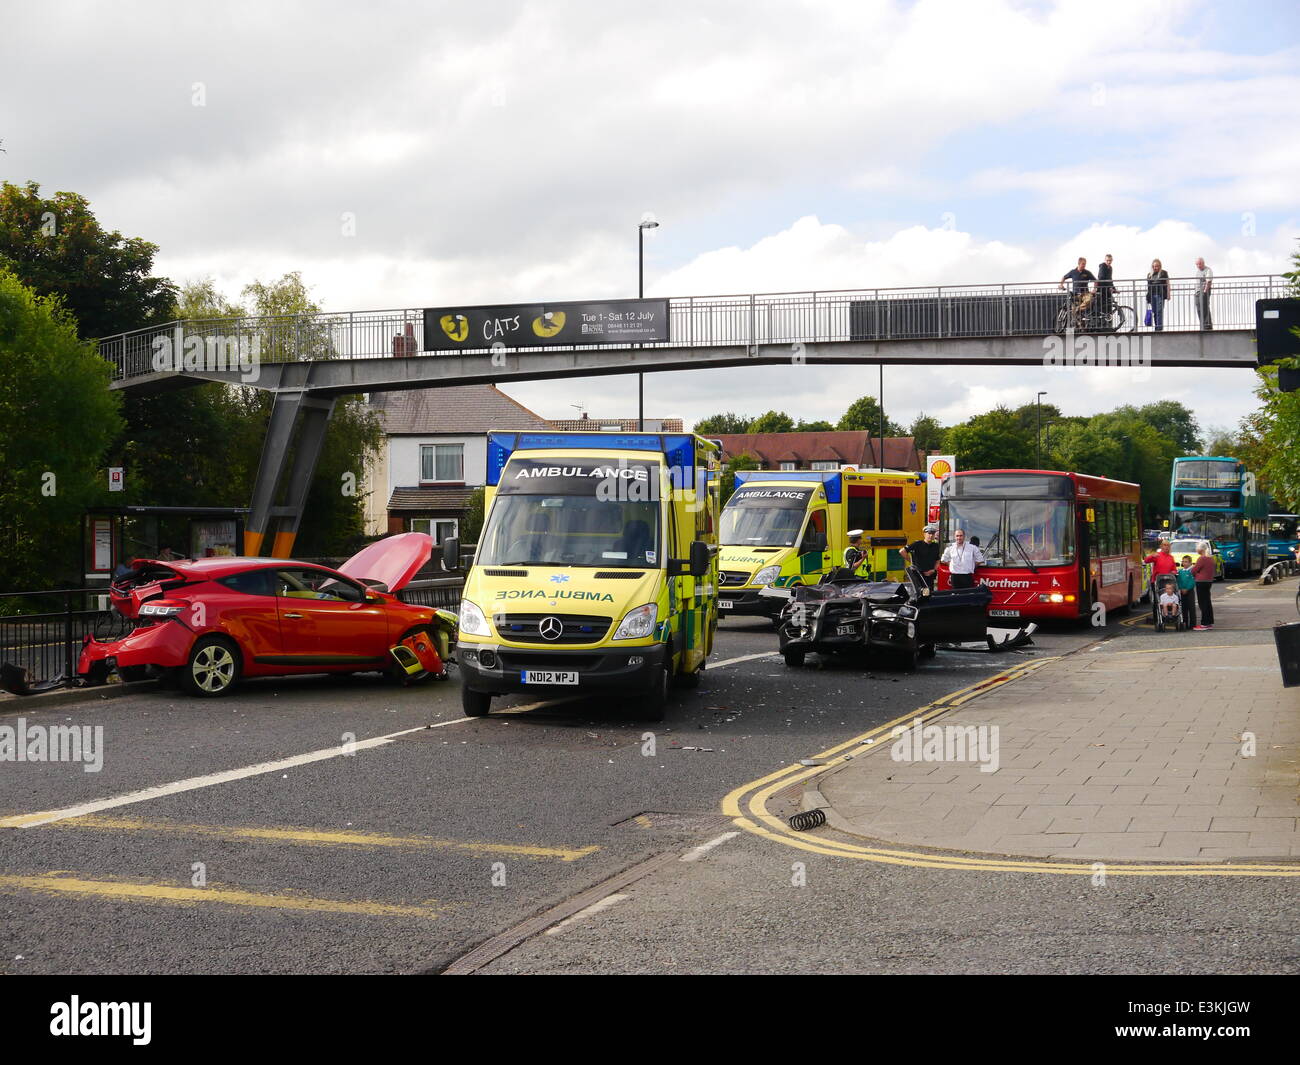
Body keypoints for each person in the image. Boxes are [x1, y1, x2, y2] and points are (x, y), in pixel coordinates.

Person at [1058, 257, 1096, 327]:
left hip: (1085, 293)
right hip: (1075, 294)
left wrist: (1094, 289)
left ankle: (1078, 308)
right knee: (1074, 312)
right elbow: (1064, 277)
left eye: (1085, 264)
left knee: (1090, 298)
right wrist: (1061, 284)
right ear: (1079, 263)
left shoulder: (1087, 272)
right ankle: (1080, 326)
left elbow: (1095, 280)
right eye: (1083, 264)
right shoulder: (1073, 272)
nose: (1084, 265)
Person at [901, 523, 941, 588]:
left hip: (930, 575)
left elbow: (937, 560)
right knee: (920, 593)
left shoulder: (936, 546)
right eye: (929, 533)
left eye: (932, 534)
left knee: (929, 593)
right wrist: (911, 561)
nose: (931, 535)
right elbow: (902, 551)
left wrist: (934, 570)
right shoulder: (917, 544)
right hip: (918, 575)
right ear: (924, 534)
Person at [1192, 540, 1216, 630]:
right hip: (1208, 581)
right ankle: (1209, 622)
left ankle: (1204, 623)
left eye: (1197, 549)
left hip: (1201, 582)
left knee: (1203, 603)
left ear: (1200, 550)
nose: (1196, 550)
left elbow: (1194, 570)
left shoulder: (1201, 558)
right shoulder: (1211, 558)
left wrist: (1195, 574)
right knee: (1208, 602)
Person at [1146, 259, 1170, 331]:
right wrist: (1148, 297)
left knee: (1159, 311)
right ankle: (1157, 327)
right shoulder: (1149, 274)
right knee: (1155, 312)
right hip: (1152, 295)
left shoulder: (1163, 273)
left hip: (1160, 294)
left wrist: (1168, 294)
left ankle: (1159, 328)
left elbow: (1168, 283)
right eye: (1154, 266)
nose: (1155, 268)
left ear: (1160, 266)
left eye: (1156, 266)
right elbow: (1148, 286)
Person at [1175, 554, 1197, 629]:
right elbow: (1179, 581)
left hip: (1190, 591)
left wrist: (1187, 588)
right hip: (1182, 591)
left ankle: (1193, 624)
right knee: (1184, 608)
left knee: (1191, 608)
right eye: (1183, 562)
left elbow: (1192, 581)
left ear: (1190, 563)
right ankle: (1185, 623)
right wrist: (1181, 588)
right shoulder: (1180, 571)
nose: (1184, 563)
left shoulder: (1192, 571)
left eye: (1186, 562)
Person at [1195, 256, 1214, 330]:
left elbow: (1208, 281)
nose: (1199, 266)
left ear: (1203, 263)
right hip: (1197, 292)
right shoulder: (1198, 272)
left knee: (1205, 307)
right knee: (1199, 308)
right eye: (1197, 264)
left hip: (1204, 291)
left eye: (1200, 264)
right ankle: (1202, 325)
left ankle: (1207, 326)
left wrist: (1205, 291)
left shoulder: (1208, 270)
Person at [1095, 253, 1114, 321]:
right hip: (1102, 288)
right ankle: (1100, 318)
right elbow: (1101, 277)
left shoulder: (1110, 268)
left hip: (1106, 288)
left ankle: (1106, 317)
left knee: (1108, 303)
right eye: (1107, 260)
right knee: (1102, 304)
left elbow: (1110, 279)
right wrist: (1110, 287)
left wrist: (1114, 288)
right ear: (1105, 260)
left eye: (1110, 260)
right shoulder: (1103, 266)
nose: (1109, 262)